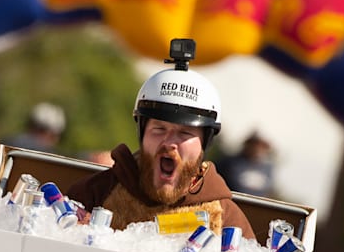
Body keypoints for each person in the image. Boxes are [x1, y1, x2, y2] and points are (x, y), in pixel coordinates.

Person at [65, 42, 256, 240]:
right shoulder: (96, 192)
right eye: (159, 129)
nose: (169, 143)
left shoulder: (227, 219)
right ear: (142, 132)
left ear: (204, 143)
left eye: (185, 133)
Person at [216, 131, 276, 197]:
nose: (256, 149)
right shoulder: (230, 163)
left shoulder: (268, 169)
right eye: (254, 144)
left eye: (260, 146)